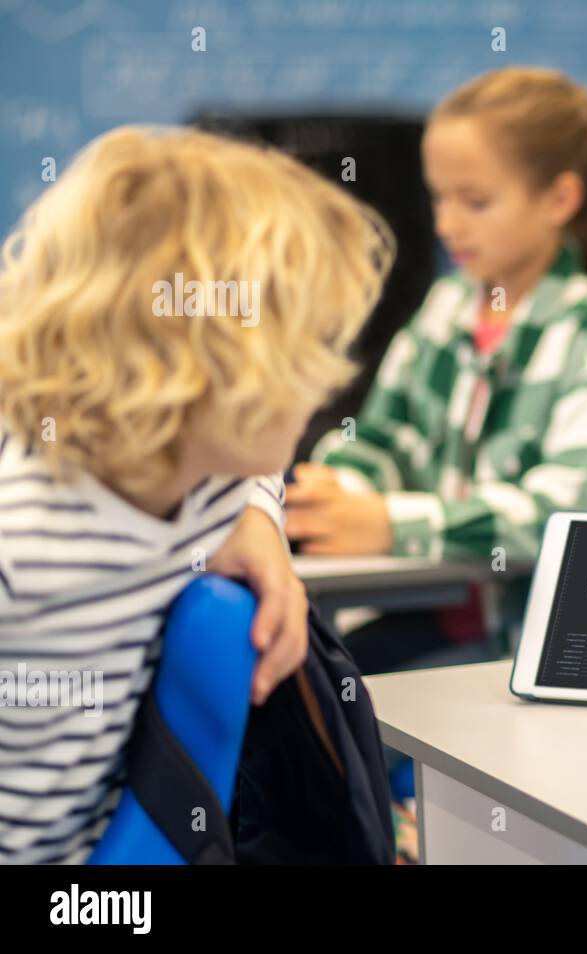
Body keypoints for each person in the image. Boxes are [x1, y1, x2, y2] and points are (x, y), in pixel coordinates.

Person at [0, 126, 393, 863]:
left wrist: (259, 519)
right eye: (309, 347)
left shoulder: (201, 481)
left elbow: (254, 472)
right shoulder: (23, 543)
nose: (332, 378)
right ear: (203, 368)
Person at [286, 67, 587, 673]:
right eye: (438, 197)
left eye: (475, 201)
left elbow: (568, 519)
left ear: (560, 199)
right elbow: (383, 440)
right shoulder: (446, 308)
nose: (446, 224)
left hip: (526, 643)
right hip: (430, 613)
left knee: (325, 695)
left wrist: (390, 525)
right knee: (299, 679)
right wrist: (336, 491)